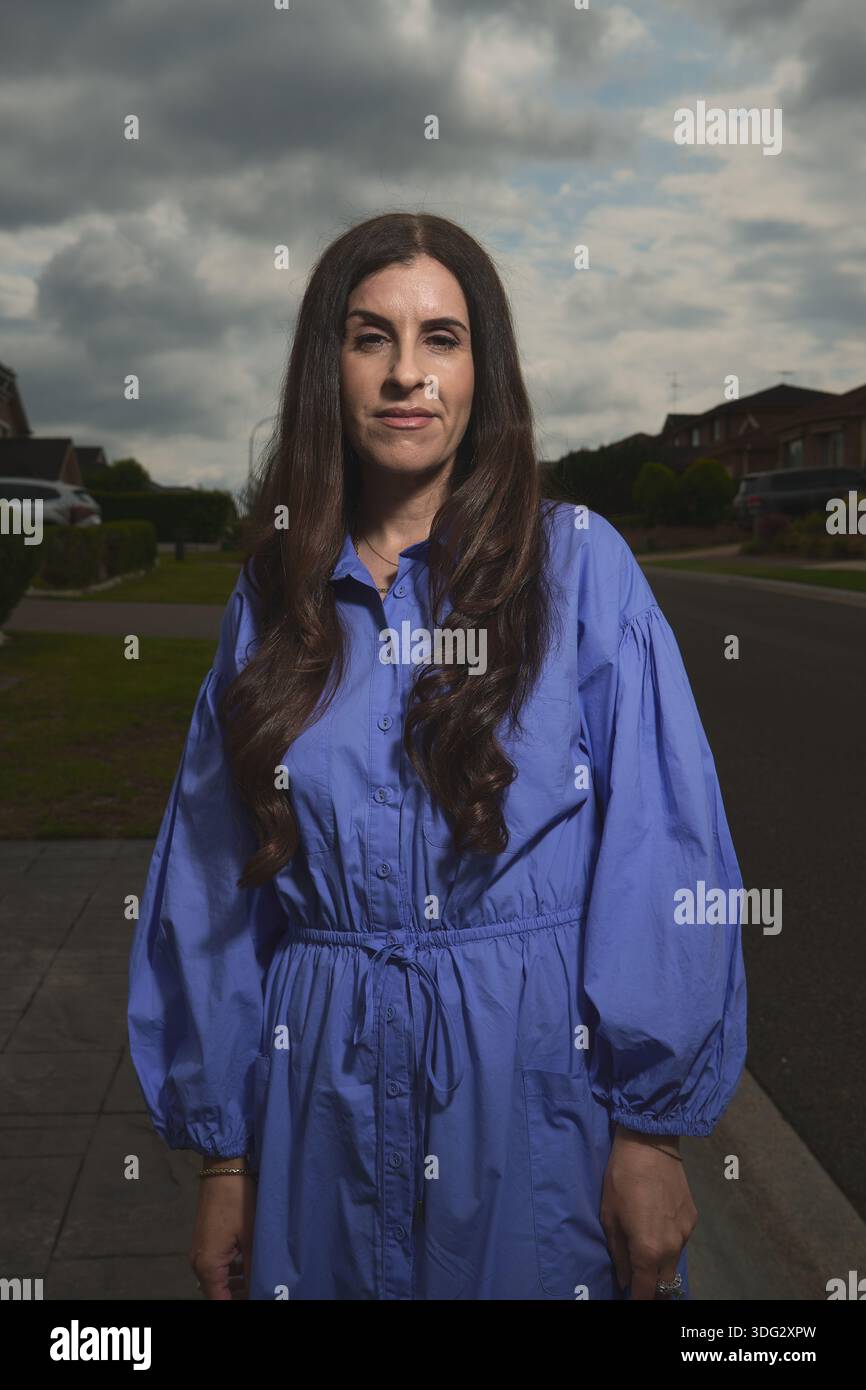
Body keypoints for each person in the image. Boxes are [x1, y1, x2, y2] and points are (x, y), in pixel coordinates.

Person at [127, 211, 748, 1302]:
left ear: (482, 369)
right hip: (317, 1099)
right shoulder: (271, 600)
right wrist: (224, 1155)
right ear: (329, 367)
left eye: (441, 339)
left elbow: (665, 852)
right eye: (371, 337)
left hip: (530, 1102)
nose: (406, 374)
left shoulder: (579, 569)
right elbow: (211, 883)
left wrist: (649, 1131)